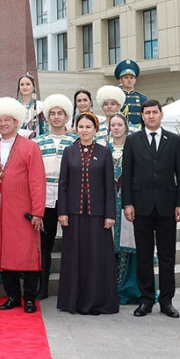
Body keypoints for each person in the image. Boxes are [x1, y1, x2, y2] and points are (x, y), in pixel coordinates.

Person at [122, 99, 180, 318]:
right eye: (147, 112)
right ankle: (146, 299)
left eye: (154, 112)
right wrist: (128, 203)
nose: (151, 116)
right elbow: (127, 175)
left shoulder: (175, 140)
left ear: (161, 115)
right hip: (141, 207)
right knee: (144, 255)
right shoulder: (132, 140)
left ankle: (167, 301)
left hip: (168, 206)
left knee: (168, 255)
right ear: (142, 116)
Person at [0, 97, 45, 312]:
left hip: (25, 212)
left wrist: (38, 212)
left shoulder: (30, 147)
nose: (3, 123)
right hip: (1, 213)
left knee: (29, 254)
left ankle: (29, 298)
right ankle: (12, 296)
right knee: (5, 254)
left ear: (16, 121)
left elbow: (37, 181)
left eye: (8, 119)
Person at [56, 112, 118, 315]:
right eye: (81, 126)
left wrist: (110, 215)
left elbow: (110, 186)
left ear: (95, 129)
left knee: (96, 259)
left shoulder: (104, 152)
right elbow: (63, 185)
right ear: (76, 129)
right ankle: (73, 301)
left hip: (98, 216)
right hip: (73, 215)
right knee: (75, 258)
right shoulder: (69, 152)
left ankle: (96, 302)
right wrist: (62, 212)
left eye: (88, 127)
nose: (84, 130)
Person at [35, 94, 76, 299]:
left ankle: (72, 288)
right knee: (45, 244)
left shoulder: (75, 140)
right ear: (47, 117)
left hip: (70, 199)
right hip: (46, 199)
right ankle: (42, 287)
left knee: (73, 243)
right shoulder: (38, 142)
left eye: (60, 113)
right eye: (53, 113)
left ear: (66, 116)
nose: (57, 117)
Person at [103, 114, 141, 304]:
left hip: (129, 201)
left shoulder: (134, 148)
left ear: (126, 127)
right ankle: (110, 287)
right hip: (109, 203)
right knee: (109, 246)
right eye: (113, 125)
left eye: (120, 124)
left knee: (129, 245)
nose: (116, 128)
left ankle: (128, 287)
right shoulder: (103, 150)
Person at [114, 60, 147, 128]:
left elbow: (145, 119)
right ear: (120, 80)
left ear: (135, 80)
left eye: (131, 78)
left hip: (137, 132)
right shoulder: (115, 98)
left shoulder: (142, 99)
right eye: (126, 78)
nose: (129, 80)